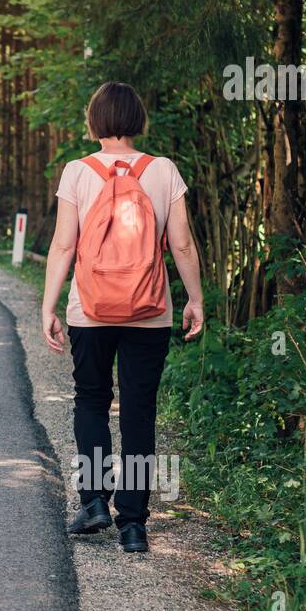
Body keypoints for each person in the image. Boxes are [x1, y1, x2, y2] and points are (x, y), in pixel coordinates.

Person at [41, 82, 205, 553]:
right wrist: (195, 299)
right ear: (138, 120)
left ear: (94, 122)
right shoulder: (163, 171)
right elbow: (182, 244)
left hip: (90, 310)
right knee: (138, 411)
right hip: (150, 311)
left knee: (91, 401)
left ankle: (93, 500)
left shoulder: (77, 171)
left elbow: (64, 245)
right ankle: (133, 524)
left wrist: (49, 305)